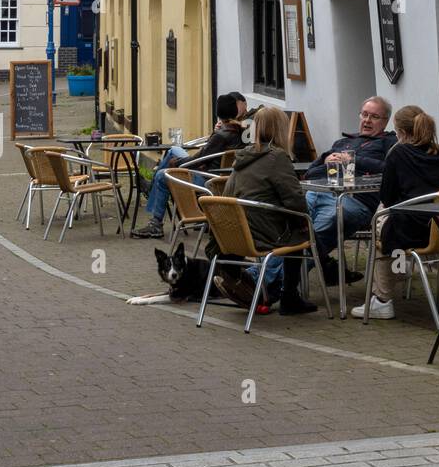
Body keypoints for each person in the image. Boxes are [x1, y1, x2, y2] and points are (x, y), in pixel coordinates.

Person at [212, 105, 321, 316]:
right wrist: (304, 221)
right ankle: (290, 297)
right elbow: (295, 200)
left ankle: (265, 288)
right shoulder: (277, 157)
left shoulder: (242, 156)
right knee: (302, 233)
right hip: (259, 233)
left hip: (232, 233)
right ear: (281, 128)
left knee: (299, 229)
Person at [352, 105, 439, 321]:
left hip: (409, 228)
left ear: (400, 132)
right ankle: (398, 275)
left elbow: (388, 198)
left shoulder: (398, 153)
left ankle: (382, 299)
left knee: (379, 225)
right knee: (386, 223)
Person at [133, 92, 246, 240]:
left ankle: (156, 223)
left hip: (208, 179)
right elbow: (207, 154)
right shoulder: (240, 131)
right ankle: (151, 186)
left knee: (163, 175)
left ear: (219, 113)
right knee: (174, 150)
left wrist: (178, 164)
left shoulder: (221, 135)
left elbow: (200, 159)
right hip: (221, 176)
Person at [304, 97, 395, 272]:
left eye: (374, 117)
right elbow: (309, 174)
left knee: (316, 233)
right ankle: (319, 267)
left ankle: (267, 280)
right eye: (365, 114)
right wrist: (325, 160)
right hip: (318, 193)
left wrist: (355, 160)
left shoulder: (389, 144)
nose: (367, 120)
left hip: (354, 200)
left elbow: (390, 170)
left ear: (385, 122)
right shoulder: (342, 143)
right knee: (295, 225)